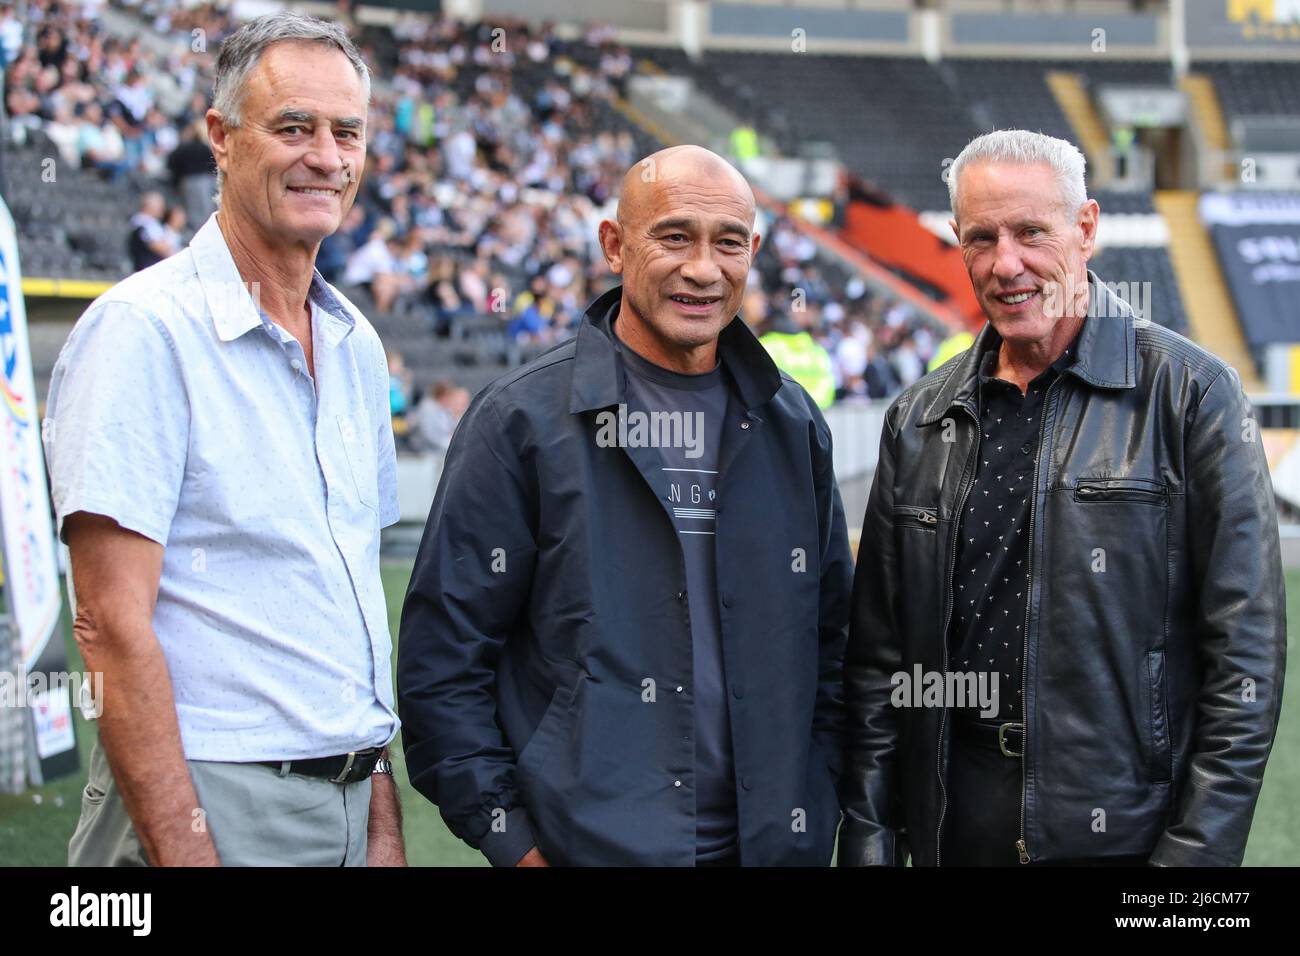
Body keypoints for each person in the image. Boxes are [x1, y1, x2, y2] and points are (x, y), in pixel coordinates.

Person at [838, 130, 1286, 867]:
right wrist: (870, 839)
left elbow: (1245, 660)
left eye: (1030, 232)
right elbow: (880, 664)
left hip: (1123, 833)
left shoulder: (1192, 396)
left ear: (1085, 229)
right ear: (957, 241)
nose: (1005, 263)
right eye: (981, 237)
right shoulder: (918, 418)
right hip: (954, 825)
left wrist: (1193, 861)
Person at [398, 145, 853, 867]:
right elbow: (442, 666)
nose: (703, 268)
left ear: (753, 253)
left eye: (728, 242)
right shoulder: (521, 422)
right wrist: (513, 843)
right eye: (674, 236)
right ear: (615, 245)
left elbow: (833, 649)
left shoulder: (790, 423)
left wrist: (815, 801)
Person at [46, 12, 405, 867]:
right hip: (208, 794)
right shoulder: (143, 331)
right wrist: (186, 846)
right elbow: (105, 622)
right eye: (293, 127)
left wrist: (382, 819)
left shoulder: (357, 344)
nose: (326, 155)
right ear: (221, 137)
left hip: (351, 801)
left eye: (345, 131)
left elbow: (353, 617)